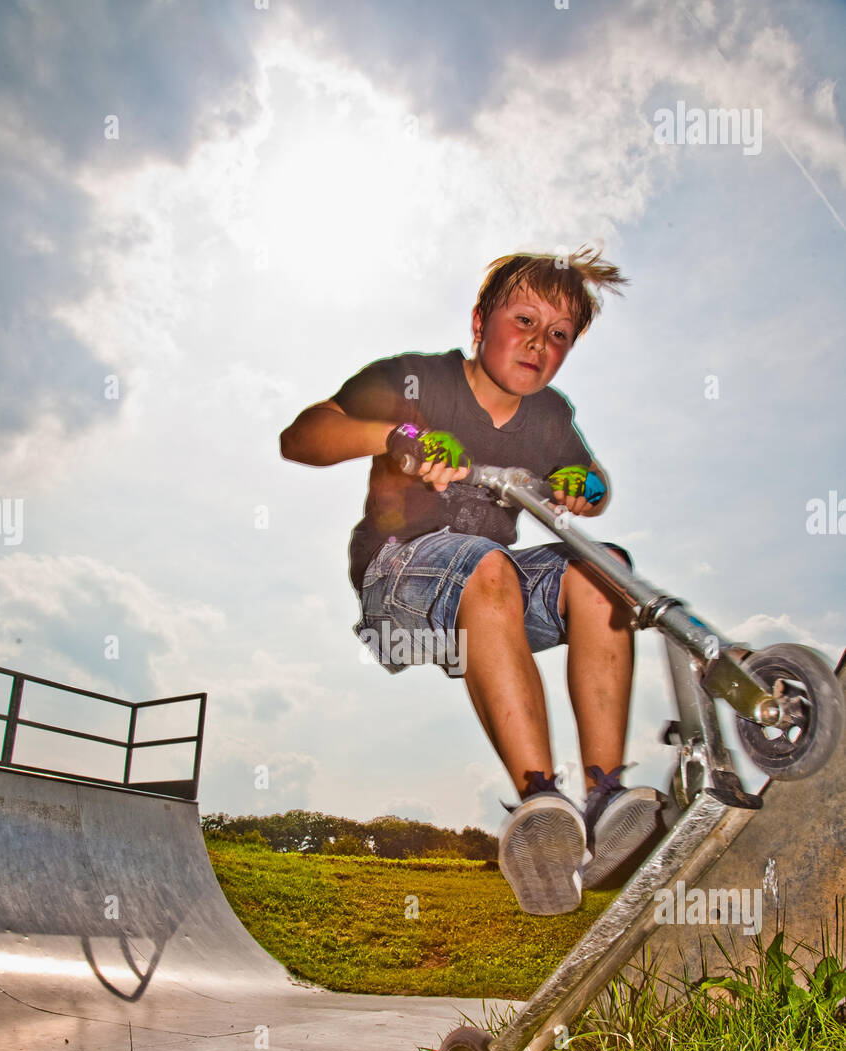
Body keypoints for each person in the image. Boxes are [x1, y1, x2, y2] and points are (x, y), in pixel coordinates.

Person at [279, 249, 663, 915]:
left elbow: (596, 482)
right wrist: (401, 437)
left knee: (608, 571)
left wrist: (585, 487)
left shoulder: (549, 417)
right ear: (481, 321)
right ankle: (540, 804)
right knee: (487, 565)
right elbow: (303, 436)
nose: (539, 344)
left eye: (559, 336)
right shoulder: (418, 382)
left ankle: (603, 798)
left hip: (490, 597)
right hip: (398, 582)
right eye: (524, 321)